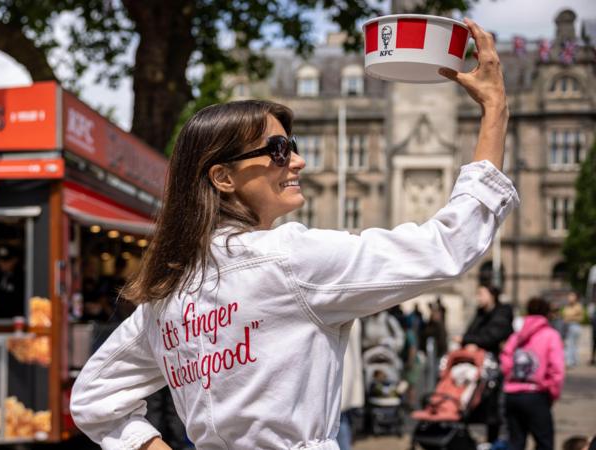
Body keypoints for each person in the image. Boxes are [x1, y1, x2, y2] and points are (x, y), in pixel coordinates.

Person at [70, 19, 516, 450]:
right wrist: (494, 110)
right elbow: (447, 245)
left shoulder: (171, 290)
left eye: (294, 146)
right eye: (279, 150)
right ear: (223, 177)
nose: (298, 161)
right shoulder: (291, 259)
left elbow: (94, 396)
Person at [500, 298, 564, 450]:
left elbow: (505, 359)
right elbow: (557, 369)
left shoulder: (517, 335)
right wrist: (552, 391)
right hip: (536, 393)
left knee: (515, 442)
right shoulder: (550, 335)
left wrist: (511, 378)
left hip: (512, 394)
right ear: (547, 313)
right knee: (544, 442)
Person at [457, 284, 513, 444]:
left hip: (496, 368)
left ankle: (493, 442)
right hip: (479, 367)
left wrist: (468, 340)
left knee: (493, 410)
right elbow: (472, 332)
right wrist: (469, 340)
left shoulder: (502, 313)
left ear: (492, 295)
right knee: (469, 404)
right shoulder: (481, 313)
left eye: (481, 293)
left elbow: (492, 336)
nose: (478, 297)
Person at [338, 319, 364, 450]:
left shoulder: (348, 318)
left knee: (340, 421)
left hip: (342, 376)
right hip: (347, 376)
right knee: (343, 420)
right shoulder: (354, 319)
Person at [561, 291, 584, 367]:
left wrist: (570, 318)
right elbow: (564, 315)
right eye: (569, 296)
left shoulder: (578, 306)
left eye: (572, 296)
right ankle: (572, 361)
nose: (570, 298)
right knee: (569, 344)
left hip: (575, 326)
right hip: (567, 326)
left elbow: (580, 318)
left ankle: (571, 362)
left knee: (572, 344)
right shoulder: (567, 306)